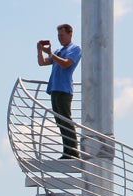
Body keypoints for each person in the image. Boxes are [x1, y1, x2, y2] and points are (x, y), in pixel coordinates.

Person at [37, 23, 82, 159]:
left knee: (65, 119)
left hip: (64, 89)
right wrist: (39, 50)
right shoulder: (58, 51)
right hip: (55, 88)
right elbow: (42, 62)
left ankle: (73, 150)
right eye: (58, 35)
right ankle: (67, 150)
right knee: (59, 121)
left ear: (70, 34)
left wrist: (50, 53)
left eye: (62, 35)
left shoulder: (75, 48)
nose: (59, 38)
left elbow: (66, 63)